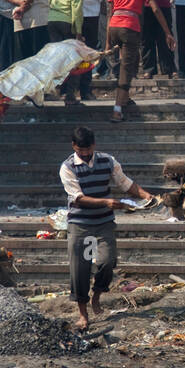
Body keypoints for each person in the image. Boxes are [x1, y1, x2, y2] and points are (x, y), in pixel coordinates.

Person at [59, 126, 155, 330]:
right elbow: (78, 199)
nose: (84, 154)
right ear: (73, 146)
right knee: (80, 268)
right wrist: (106, 202)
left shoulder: (108, 161)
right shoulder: (67, 167)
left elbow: (125, 183)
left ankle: (97, 295)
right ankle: (83, 314)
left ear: (94, 145)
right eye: (80, 150)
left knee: (107, 262)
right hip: (80, 224)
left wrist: (146, 195)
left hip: (103, 223)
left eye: (87, 149)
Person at [106, 0, 174, 123]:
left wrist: (107, 42)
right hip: (130, 27)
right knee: (126, 69)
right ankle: (117, 110)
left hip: (114, 25)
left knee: (128, 63)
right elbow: (156, 9)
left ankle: (125, 98)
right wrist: (167, 32)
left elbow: (110, 12)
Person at [47, 0, 86, 105]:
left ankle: (54, 90)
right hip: (67, 20)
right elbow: (76, 5)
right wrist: (78, 30)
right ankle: (69, 94)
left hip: (53, 18)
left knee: (58, 58)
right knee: (74, 60)